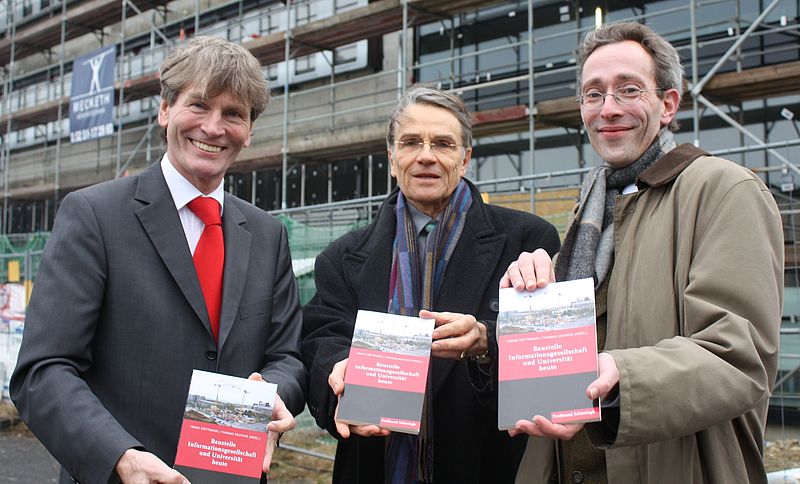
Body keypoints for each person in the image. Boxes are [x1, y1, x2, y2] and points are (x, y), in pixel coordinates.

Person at [11, 36, 306, 484]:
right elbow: (44, 370)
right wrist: (120, 455)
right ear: (165, 110)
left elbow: (288, 356)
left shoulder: (267, 234)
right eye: (199, 106)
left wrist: (274, 392)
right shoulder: (94, 216)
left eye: (234, 114)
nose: (213, 127)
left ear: (249, 130)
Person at [502, 22, 784, 483]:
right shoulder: (591, 208)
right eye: (593, 94)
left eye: (628, 90)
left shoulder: (724, 189)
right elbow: (566, 349)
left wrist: (622, 375)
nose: (608, 109)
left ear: (668, 104)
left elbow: (740, 356)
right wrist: (529, 298)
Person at [301, 85, 561, 483]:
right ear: (392, 158)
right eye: (410, 143)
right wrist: (338, 370)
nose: (425, 155)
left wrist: (487, 341)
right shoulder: (341, 257)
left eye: (442, 143)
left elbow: (547, 359)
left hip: (487, 464)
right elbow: (323, 336)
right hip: (374, 464)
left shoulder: (527, 242)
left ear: (465, 158)